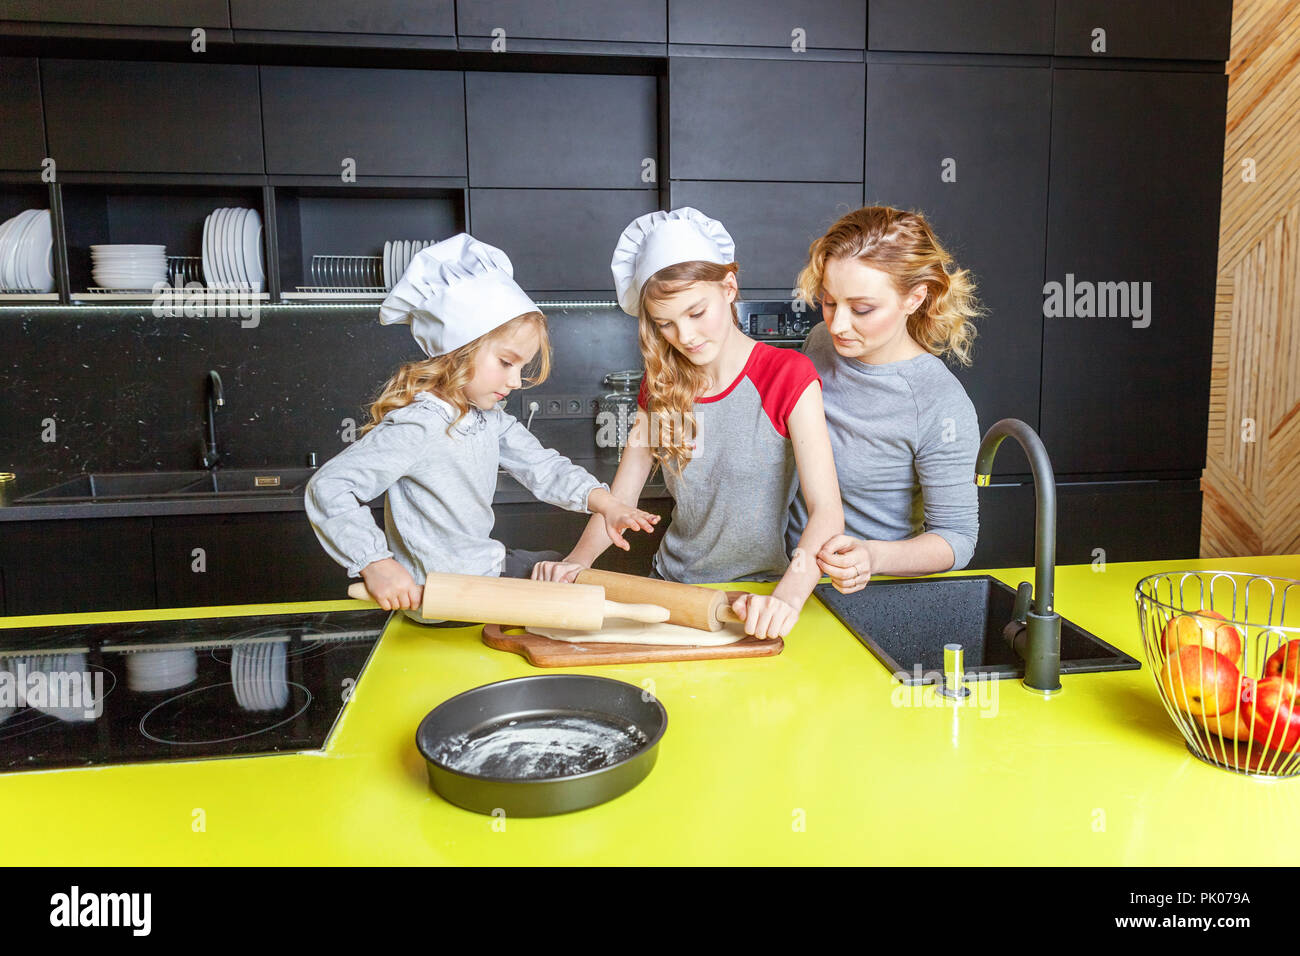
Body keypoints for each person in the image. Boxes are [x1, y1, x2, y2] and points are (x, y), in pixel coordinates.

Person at [304, 233, 659, 622]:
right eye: (506, 363)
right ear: (459, 351)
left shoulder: (486, 417)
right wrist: (376, 563)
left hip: (481, 574)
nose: (514, 381)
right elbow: (331, 487)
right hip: (444, 597)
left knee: (565, 574)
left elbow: (542, 467)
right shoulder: (420, 425)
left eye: (521, 369)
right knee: (572, 601)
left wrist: (607, 505)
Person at [533, 208, 844, 641]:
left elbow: (827, 512)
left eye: (697, 312)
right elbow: (620, 498)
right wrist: (577, 562)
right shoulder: (660, 386)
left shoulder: (787, 375)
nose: (685, 336)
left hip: (757, 597)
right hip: (669, 594)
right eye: (666, 324)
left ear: (729, 287)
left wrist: (788, 597)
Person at [785, 206, 981, 594]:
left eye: (862, 309)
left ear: (914, 298)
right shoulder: (821, 344)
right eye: (828, 302)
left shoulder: (938, 403)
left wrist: (873, 557)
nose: (838, 325)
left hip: (869, 594)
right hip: (787, 581)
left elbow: (957, 538)